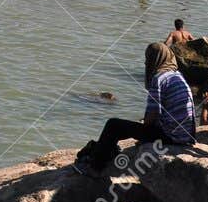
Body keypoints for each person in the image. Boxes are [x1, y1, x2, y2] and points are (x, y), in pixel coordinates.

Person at [73, 42, 196, 176]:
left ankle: (94, 168)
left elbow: (150, 119)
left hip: (170, 137)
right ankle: (107, 150)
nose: (145, 62)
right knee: (123, 129)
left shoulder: (159, 79)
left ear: (153, 59)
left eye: (147, 58)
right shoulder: (177, 75)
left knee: (113, 125)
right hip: (185, 135)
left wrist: (143, 129)